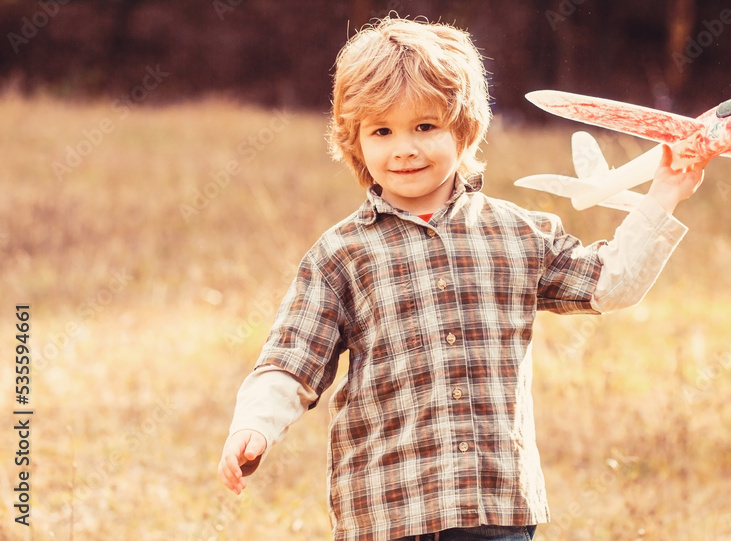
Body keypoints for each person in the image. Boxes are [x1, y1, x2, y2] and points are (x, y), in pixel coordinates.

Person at [217, 16, 704, 541]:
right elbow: (290, 362)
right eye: (382, 130)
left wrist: (663, 194)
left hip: (495, 505)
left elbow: (612, 284)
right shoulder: (341, 255)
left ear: (464, 129)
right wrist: (254, 426)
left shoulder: (518, 233)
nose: (404, 148)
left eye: (425, 127)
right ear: (355, 142)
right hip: (389, 509)